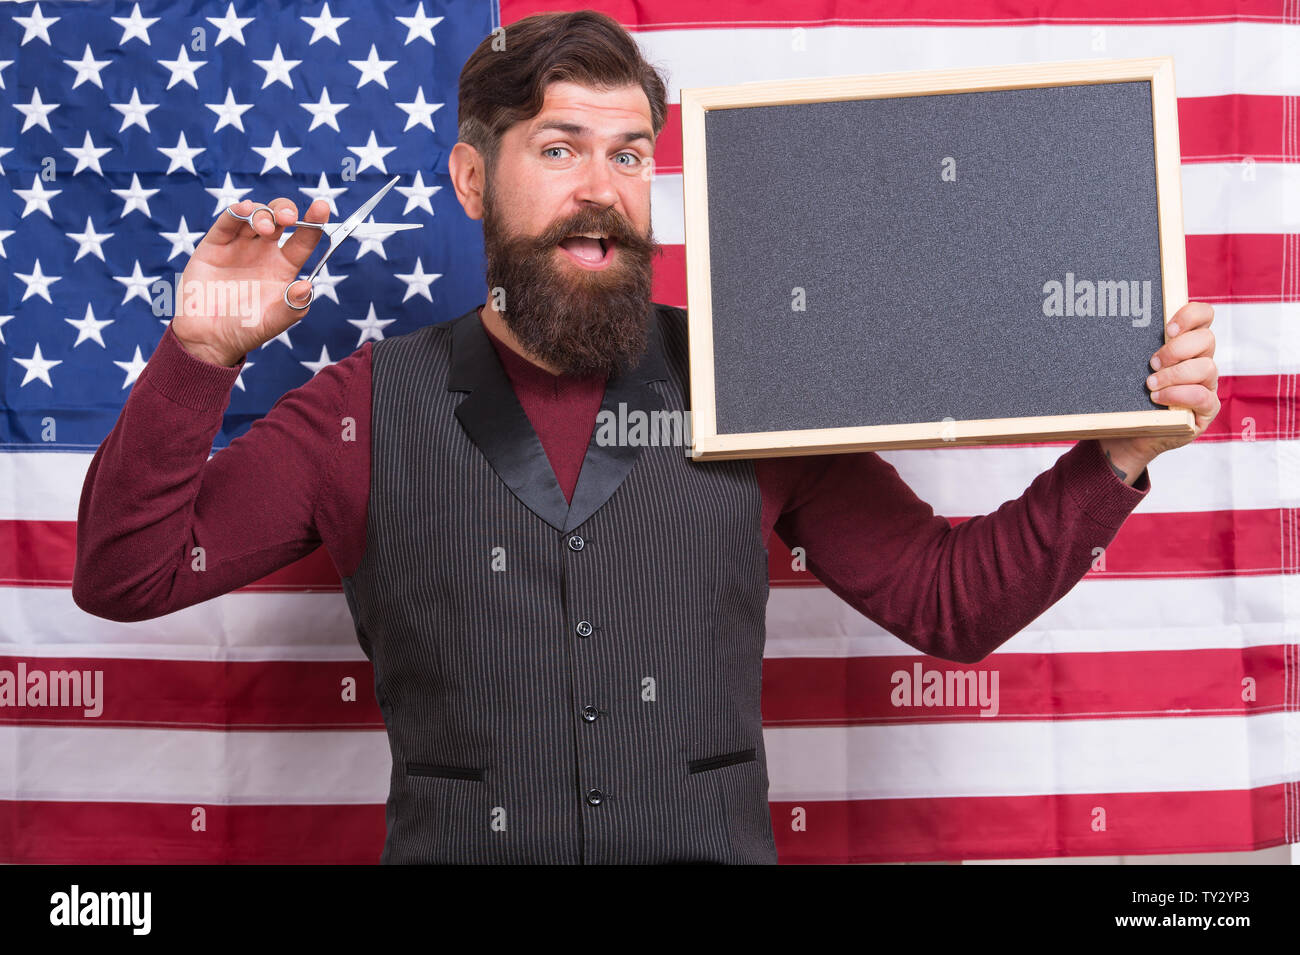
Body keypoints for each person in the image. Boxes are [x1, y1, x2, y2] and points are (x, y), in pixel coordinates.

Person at [73, 10, 1221, 864]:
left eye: (628, 154)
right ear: (474, 179)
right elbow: (127, 576)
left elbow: (949, 603)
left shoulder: (755, 374)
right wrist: (202, 355)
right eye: (560, 147)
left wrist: (1118, 453)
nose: (601, 187)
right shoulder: (361, 407)